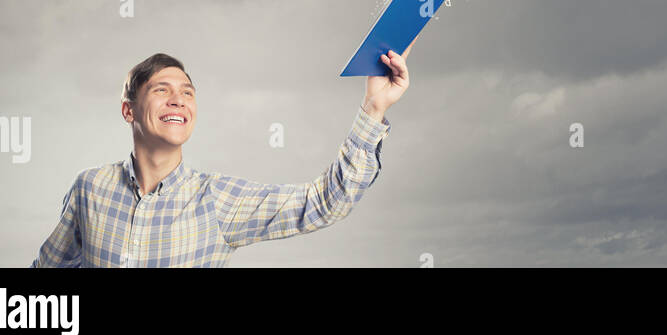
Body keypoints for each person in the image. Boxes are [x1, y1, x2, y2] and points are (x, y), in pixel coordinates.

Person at [30, 48, 409, 267]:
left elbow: (324, 202)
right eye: (162, 90)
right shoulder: (90, 189)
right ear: (129, 110)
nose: (178, 99)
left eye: (188, 92)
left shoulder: (217, 202)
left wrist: (374, 107)